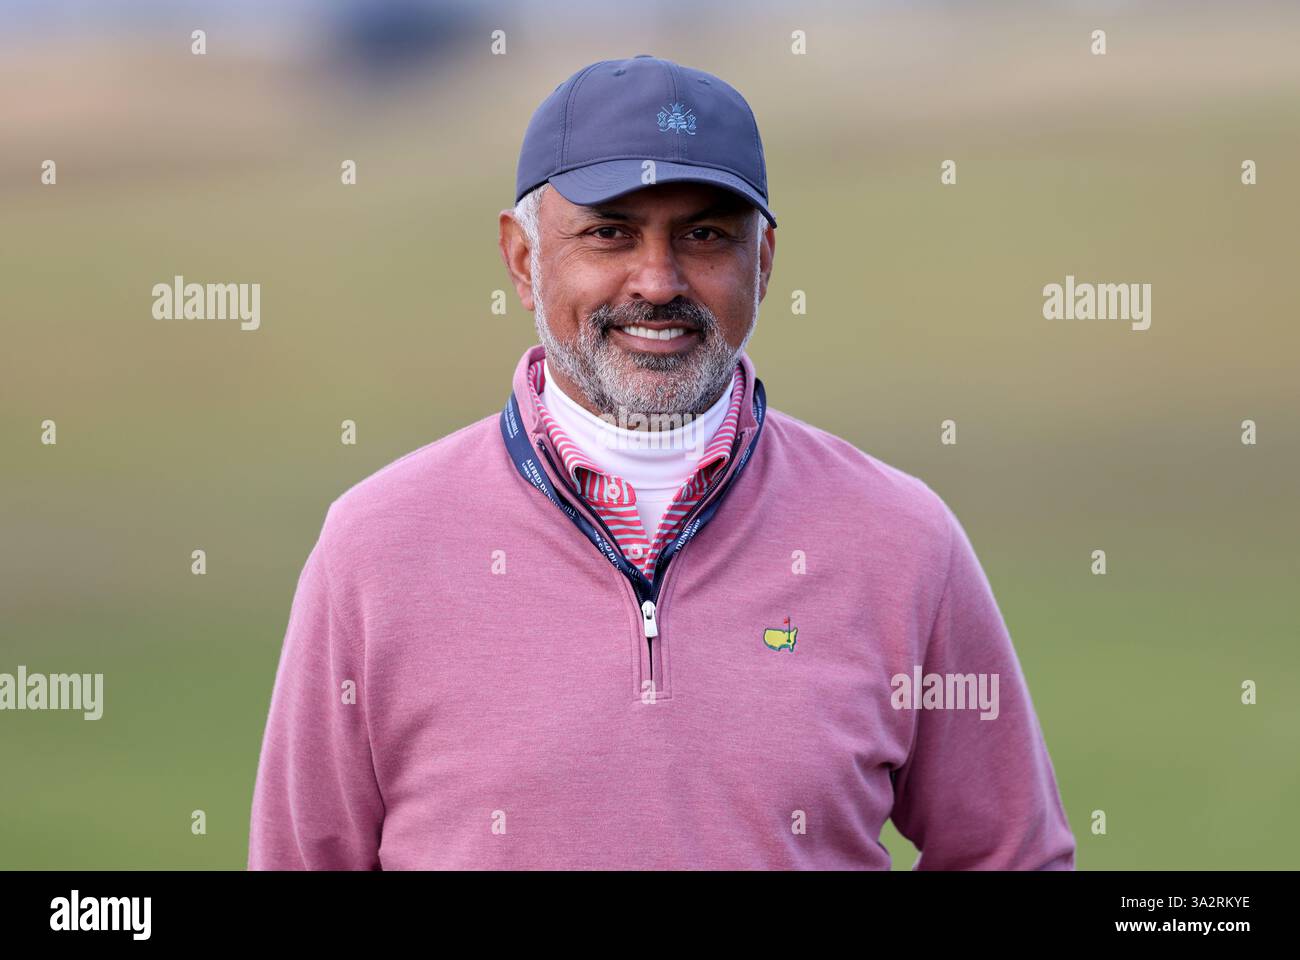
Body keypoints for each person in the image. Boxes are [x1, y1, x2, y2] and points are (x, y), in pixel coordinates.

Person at [248, 55, 1076, 870]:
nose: (657, 280)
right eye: (610, 232)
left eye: (705, 234)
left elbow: (1011, 854)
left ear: (764, 259)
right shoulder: (376, 548)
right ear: (524, 257)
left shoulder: (902, 540)